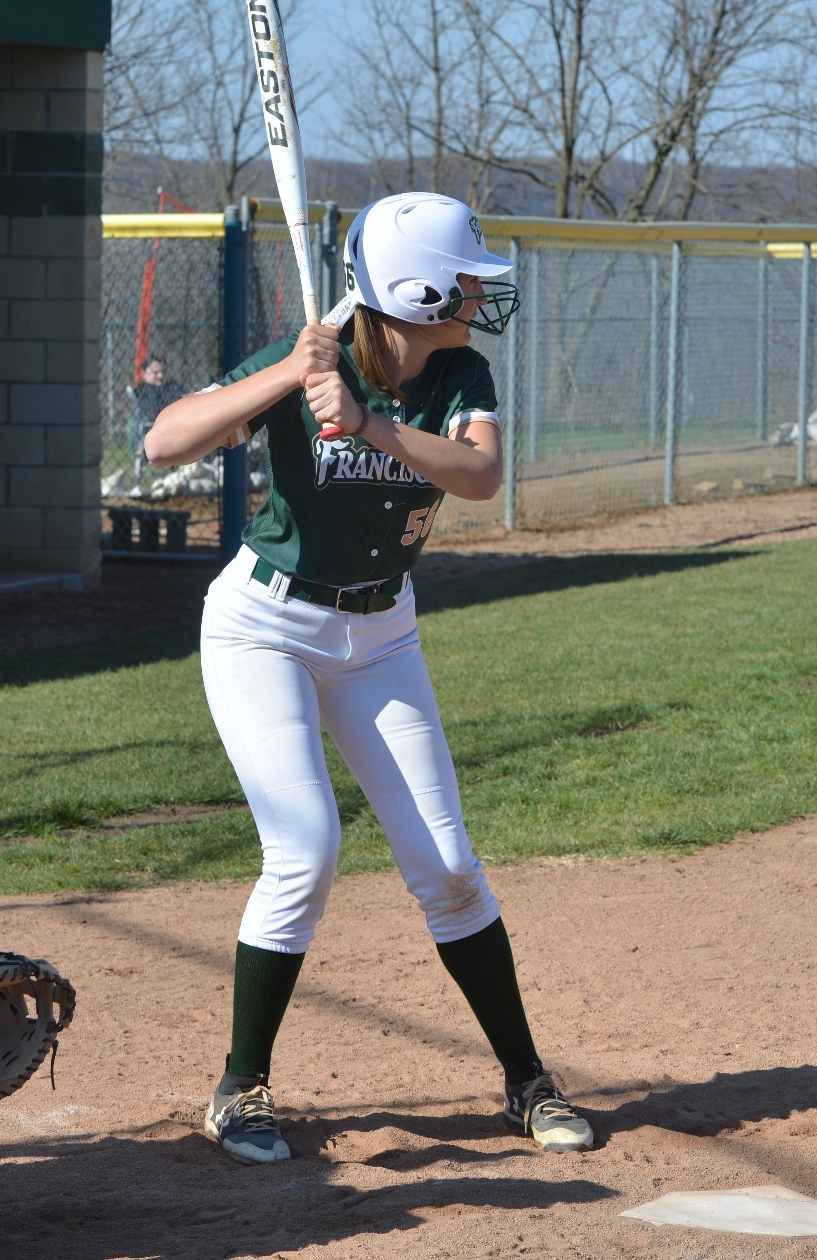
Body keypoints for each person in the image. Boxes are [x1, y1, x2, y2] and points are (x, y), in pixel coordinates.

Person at [142, 190, 593, 1165]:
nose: (478, 293)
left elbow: (477, 476)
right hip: (265, 626)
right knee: (303, 849)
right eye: (465, 280)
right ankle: (240, 1088)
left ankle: (525, 1080)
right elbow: (162, 441)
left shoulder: (456, 368)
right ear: (418, 291)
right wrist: (282, 384)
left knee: (447, 866)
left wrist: (370, 426)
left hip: (381, 634)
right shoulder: (310, 354)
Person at [132, 356, 183, 461]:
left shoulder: (169, 387)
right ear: (144, 374)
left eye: (163, 372)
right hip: (159, 426)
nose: (160, 376)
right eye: (155, 373)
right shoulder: (144, 390)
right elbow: (153, 413)